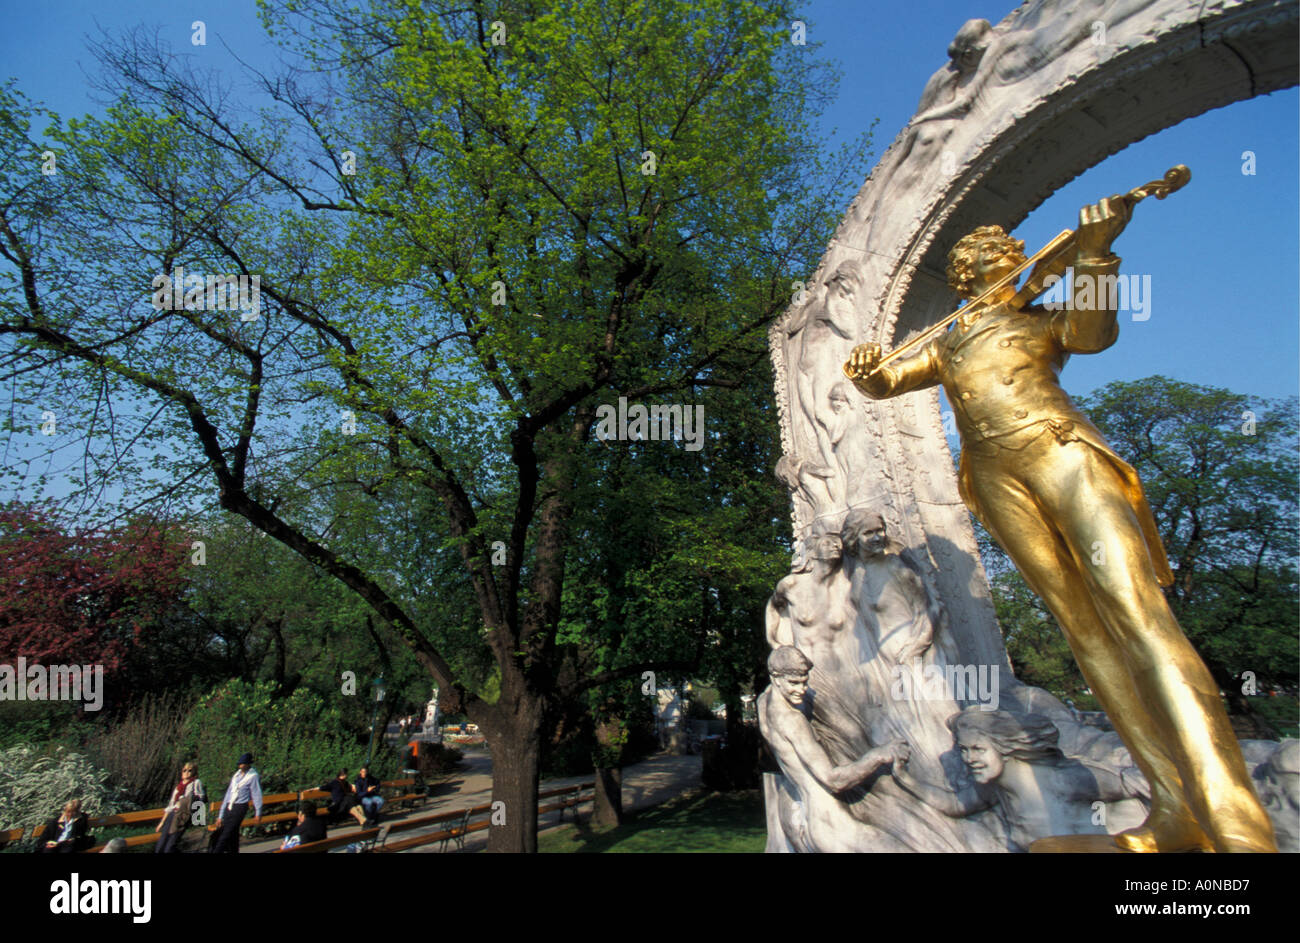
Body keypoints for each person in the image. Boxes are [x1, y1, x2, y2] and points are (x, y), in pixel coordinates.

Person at [845, 198, 1278, 853]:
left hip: (1061, 452)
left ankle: (1236, 819)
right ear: (968, 275)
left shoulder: (1038, 321)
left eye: (1011, 261)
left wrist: (1097, 253)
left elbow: (1094, 334)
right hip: (996, 478)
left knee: (1139, 618)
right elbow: (888, 380)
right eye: (990, 263)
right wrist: (870, 372)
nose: (1005, 269)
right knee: (1085, 634)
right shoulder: (950, 340)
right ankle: (1172, 807)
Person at [892, 707, 1148, 852]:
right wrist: (905, 779)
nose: (969, 758)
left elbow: (1131, 783)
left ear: (1003, 747)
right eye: (964, 749)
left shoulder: (1062, 779)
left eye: (978, 749)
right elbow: (957, 804)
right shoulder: (993, 787)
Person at [758, 646, 910, 852]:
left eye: (804, 682)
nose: (801, 690)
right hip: (830, 821)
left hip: (804, 813)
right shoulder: (792, 721)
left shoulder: (763, 703)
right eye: (793, 683)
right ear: (775, 677)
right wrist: (879, 754)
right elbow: (834, 780)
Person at [210, 752, 263, 853]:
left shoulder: (253, 776)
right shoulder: (236, 776)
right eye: (240, 764)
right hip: (230, 806)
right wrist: (220, 815)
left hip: (240, 807)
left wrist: (258, 812)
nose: (241, 765)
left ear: (248, 764)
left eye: (243, 763)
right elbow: (228, 795)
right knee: (233, 833)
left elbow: (256, 794)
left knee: (226, 833)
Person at [155, 761, 206, 853]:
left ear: (194, 772)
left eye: (189, 770)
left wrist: (196, 817)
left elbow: (200, 799)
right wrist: (162, 822)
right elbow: (170, 805)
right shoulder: (178, 787)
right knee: (160, 845)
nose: (186, 772)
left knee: (170, 846)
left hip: (182, 816)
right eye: (184, 770)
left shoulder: (196, 783)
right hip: (172, 815)